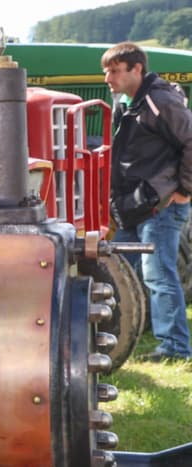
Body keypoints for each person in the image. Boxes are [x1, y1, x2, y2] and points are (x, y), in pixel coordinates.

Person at [103, 42, 192, 361]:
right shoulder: (126, 102)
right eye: (106, 72)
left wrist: (185, 190)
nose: (108, 78)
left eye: (115, 71)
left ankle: (176, 348)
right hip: (134, 205)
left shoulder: (159, 100)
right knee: (116, 268)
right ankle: (115, 333)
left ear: (137, 69)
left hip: (160, 205)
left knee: (159, 274)